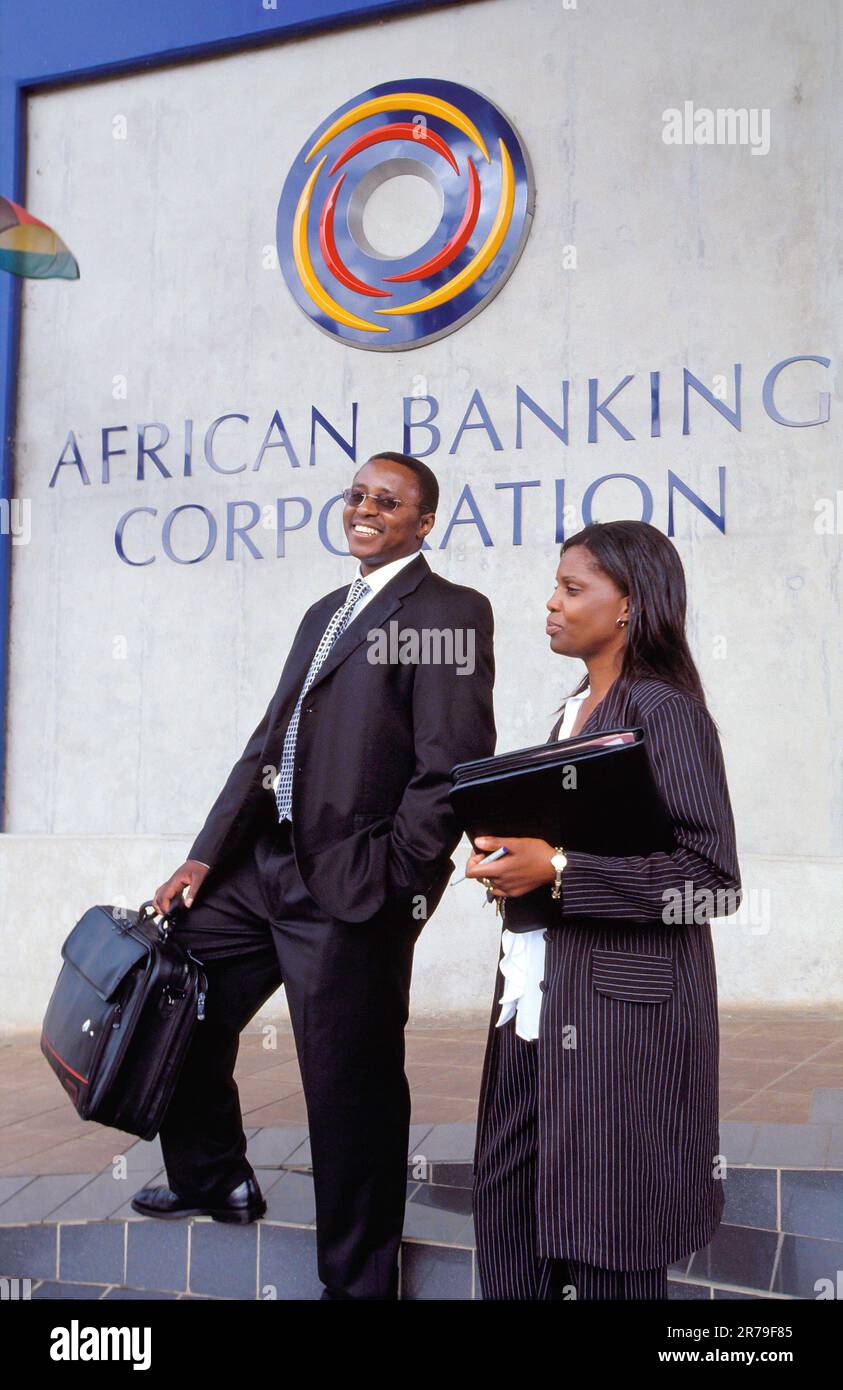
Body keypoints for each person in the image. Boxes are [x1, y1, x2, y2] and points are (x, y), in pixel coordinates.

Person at [131, 450, 496, 1301]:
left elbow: (449, 767)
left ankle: (359, 1283)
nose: (367, 508)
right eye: (359, 494)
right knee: (176, 1004)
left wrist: (394, 880)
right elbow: (268, 744)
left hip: (352, 887)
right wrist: (204, 854)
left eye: (390, 500)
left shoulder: (446, 611)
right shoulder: (323, 610)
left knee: (349, 1090)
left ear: (424, 521)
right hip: (261, 869)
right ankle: (211, 1175)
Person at [465, 519, 742, 1300]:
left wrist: (554, 867)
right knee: (510, 1213)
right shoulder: (571, 711)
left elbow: (711, 878)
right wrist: (508, 861)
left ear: (628, 605)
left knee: (608, 1236)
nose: (549, 603)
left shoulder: (663, 710)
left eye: (571, 588)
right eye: (555, 585)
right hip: (532, 1002)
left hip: (622, 1017)